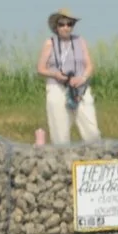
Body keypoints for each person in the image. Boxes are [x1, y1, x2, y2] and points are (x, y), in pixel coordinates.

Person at [37, 9, 100, 143]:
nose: (66, 27)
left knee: (91, 128)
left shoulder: (80, 41)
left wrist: (82, 78)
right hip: (57, 87)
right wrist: (55, 74)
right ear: (56, 26)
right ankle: (62, 153)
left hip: (80, 88)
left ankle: (95, 151)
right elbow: (41, 69)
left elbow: (89, 65)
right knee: (60, 130)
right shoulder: (50, 43)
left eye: (69, 24)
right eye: (62, 24)